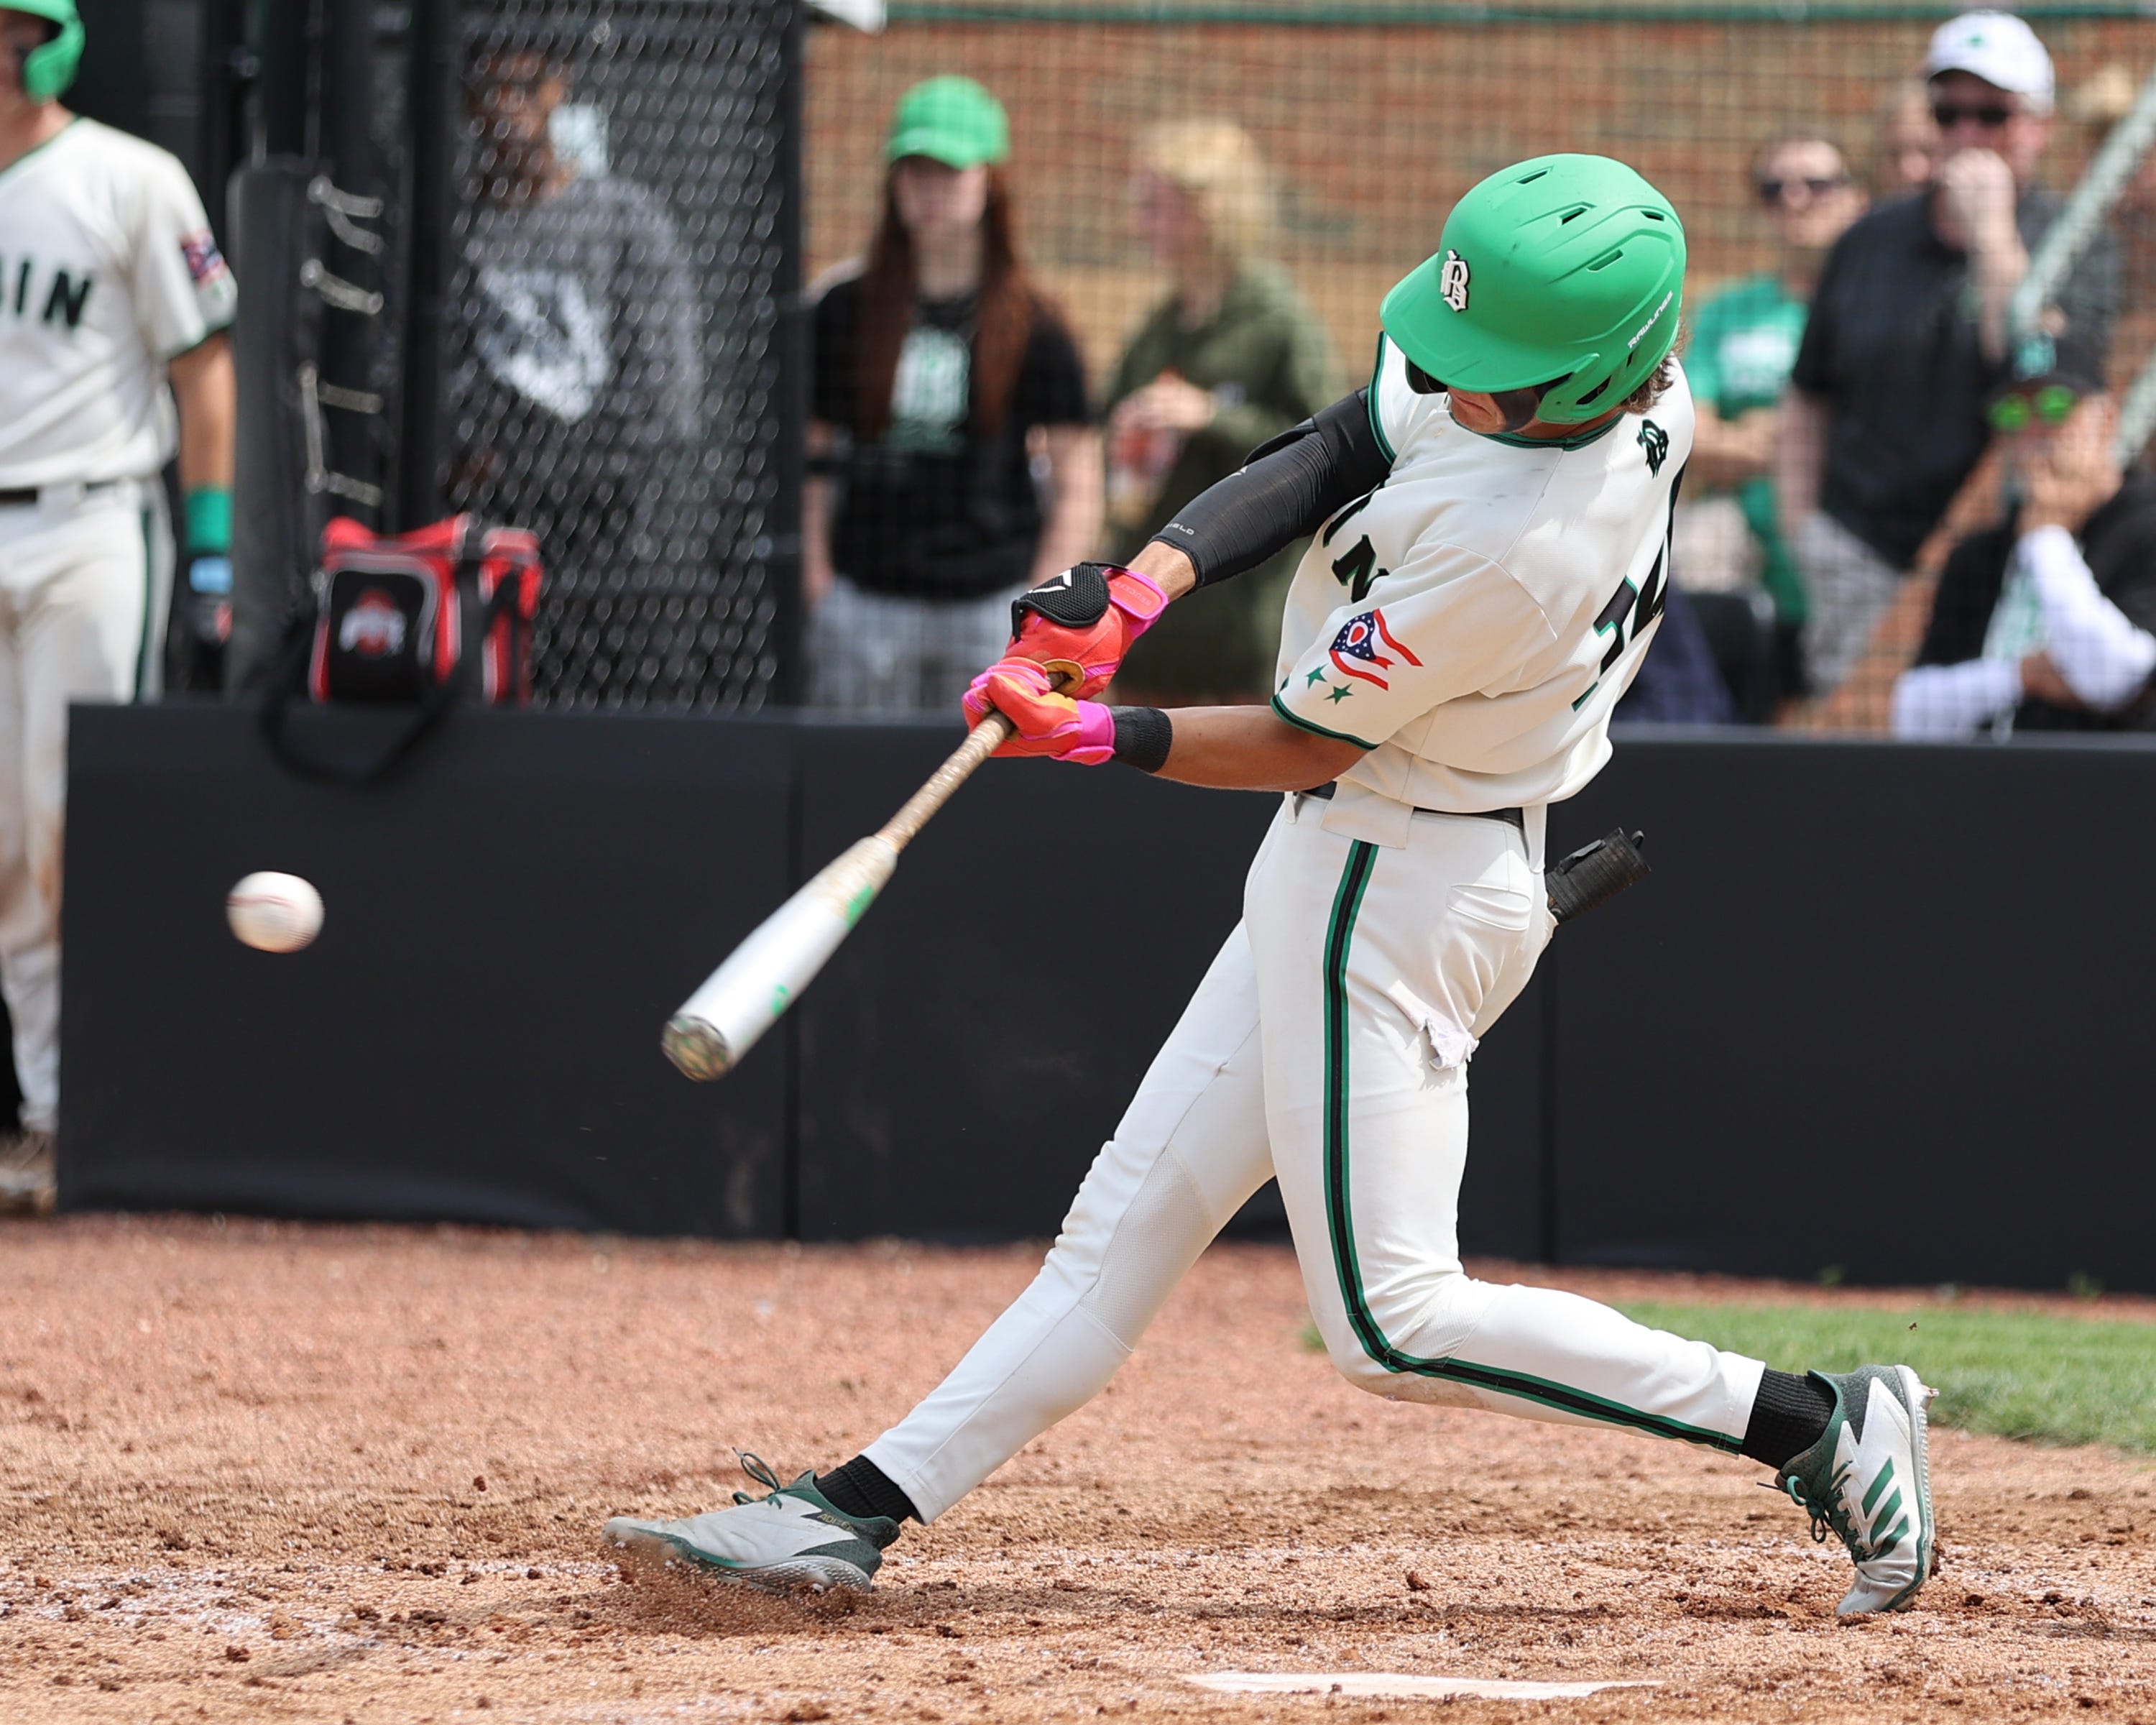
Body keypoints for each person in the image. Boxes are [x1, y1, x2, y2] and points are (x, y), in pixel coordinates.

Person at [604, 156, 1938, 1621]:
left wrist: (1094, 732)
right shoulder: (1625, 386)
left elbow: (1305, 732)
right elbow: (1345, 436)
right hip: (1374, 849)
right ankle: (850, 1511)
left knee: (1393, 1323)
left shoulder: (1517, 545)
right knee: (1119, 1238)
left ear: (1585, 385)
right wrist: (1140, 588)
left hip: (1396, 884)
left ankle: (1821, 1422)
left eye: (1487, 372)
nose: (1444, 375)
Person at [0, 0, 236, 1212]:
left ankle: (76, 1121)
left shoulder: (127, 180)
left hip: (84, 520)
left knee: (59, 823)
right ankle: (39, 1111)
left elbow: (205, 371)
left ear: (51, 41)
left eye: (11, 27)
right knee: (0, 844)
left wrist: (209, 557)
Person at [1779, 10, 2119, 697]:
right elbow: (1808, 392)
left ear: (2040, 126)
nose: (1967, 134)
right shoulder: (1868, 239)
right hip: (1858, 550)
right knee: (1851, 748)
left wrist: (1992, 234)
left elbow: (2037, 368)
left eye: (1992, 114)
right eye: (1948, 111)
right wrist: (1801, 526)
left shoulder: (2078, 240)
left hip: (1994, 553)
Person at [804, 76, 1100, 714]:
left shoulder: (1035, 323)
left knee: (983, 803)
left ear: (988, 181)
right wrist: (818, 583)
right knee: (855, 789)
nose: (928, 188)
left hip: (988, 607)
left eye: (949, 170)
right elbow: (815, 453)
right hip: (866, 602)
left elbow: (1078, 473)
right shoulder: (843, 310)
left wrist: (1041, 610)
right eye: (913, 171)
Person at [443, 33, 701, 703]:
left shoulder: (625, 222)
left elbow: (665, 401)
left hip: (603, 545)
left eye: (526, 90)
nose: (508, 111)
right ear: (468, 104)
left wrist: (525, 464)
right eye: (491, 92)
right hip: (470, 544)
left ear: (560, 91)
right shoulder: (444, 229)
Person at [1102, 120, 1335, 702]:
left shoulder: (1275, 318)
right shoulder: (1161, 326)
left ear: (1209, 210)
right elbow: (1105, 422)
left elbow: (1331, 447)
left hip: (1244, 634)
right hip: (1156, 629)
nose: (1141, 225)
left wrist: (1212, 417)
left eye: (1157, 207)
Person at [1677, 135, 1866, 686]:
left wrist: (1758, 429)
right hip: (1742, 538)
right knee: (1695, 539)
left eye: (1817, 184)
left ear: (1858, 197)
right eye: (1776, 189)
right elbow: (1690, 437)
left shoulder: (1872, 309)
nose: (1796, 200)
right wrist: (1798, 435)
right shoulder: (1729, 310)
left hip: (1840, 530)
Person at [1894, 344, 2156, 736]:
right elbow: (1912, 712)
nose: (2034, 431)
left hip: (2108, 788)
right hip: (1991, 785)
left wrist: (2047, 537)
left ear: (2107, 419)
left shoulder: (2146, 528)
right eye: (2013, 414)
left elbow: (2116, 676)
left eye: (2055, 407)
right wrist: (2018, 677)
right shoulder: (1980, 554)